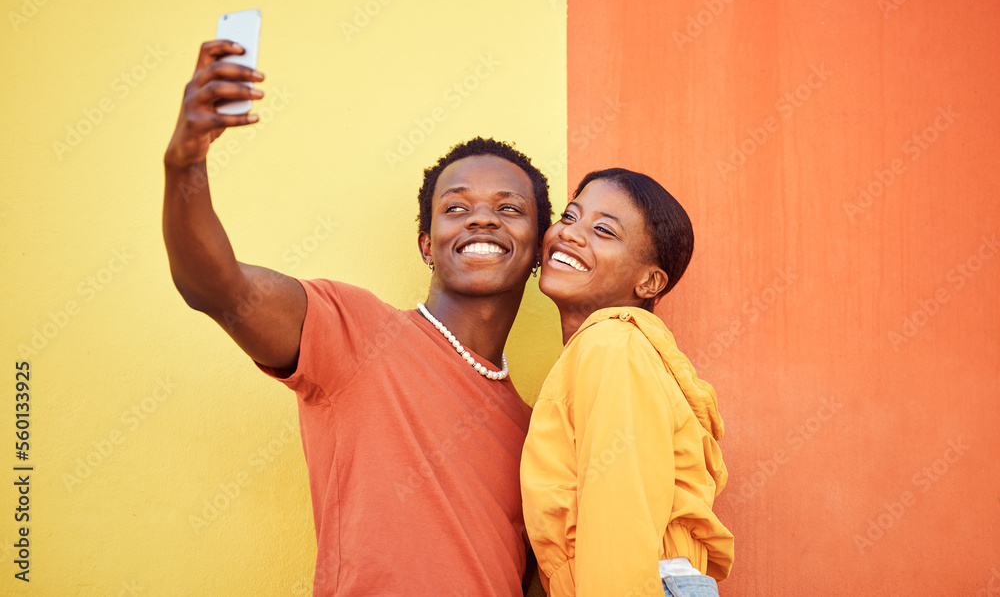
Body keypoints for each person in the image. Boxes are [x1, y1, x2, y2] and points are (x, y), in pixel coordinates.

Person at [162, 40, 553, 596]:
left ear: (539, 248)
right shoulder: (358, 332)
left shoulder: (538, 427)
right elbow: (214, 286)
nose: (482, 221)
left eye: (509, 208)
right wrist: (185, 164)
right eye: (457, 208)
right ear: (427, 244)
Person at [520, 168, 734, 597]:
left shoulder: (612, 346)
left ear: (649, 282)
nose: (571, 234)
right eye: (569, 216)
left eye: (603, 230)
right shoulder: (603, 351)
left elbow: (619, 520)